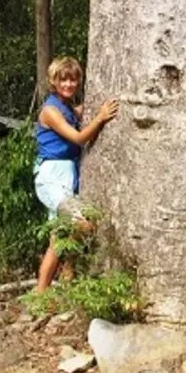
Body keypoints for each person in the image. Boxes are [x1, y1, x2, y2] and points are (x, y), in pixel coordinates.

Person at [34, 56, 118, 292]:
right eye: (63, 80)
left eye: (72, 80)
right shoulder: (50, 110)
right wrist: (100, 118)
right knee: (82, 224)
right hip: (52, 176)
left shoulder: (68, 108)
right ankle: (68, 272)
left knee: (57, 238)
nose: (69, 85)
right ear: (54, 81)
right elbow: (79, 138)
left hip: (68, 177)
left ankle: (43, 294)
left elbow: (78, 113)